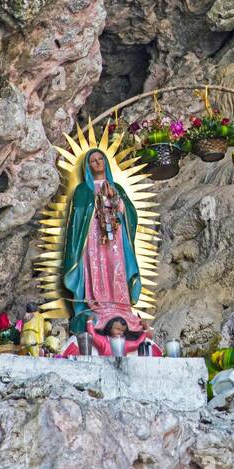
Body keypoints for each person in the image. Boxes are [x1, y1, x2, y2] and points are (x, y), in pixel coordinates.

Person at [58, 149, 154, 356]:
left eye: (100, 159)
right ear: (87, 167)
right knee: (96, 268)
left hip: (115, 240)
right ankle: (98, 303)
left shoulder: (117, 187)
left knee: (116, 269)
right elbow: (77, 221)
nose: (97, 162)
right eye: (93, 161)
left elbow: (130, 214)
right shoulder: (83, 191)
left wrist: (116, 199)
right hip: (92, 240)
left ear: (106, 163)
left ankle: (120, 306)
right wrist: (95, 204)